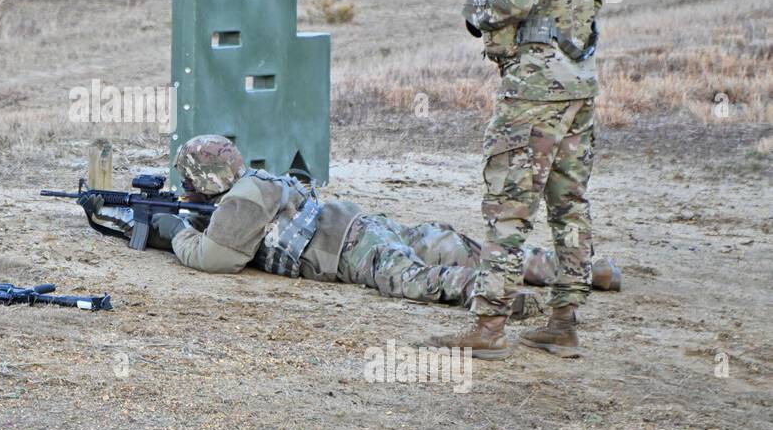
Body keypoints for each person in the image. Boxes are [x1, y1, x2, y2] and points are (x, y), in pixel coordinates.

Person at [77, 135, 619, 313]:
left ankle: (501, 297)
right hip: (359, 222)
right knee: (452, 245)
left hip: (347, 250)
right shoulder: (256, 180)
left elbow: (217, 258)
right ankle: (571, 268)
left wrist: (173, 232)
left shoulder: (238, 203)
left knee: (418, 281)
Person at [433, 0, 603, 359]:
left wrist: (474, 9)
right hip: (578, 86)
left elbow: (514, 1)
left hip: (533, 92)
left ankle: (488, 325)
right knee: (569, 204)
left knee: (508, 208)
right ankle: (564, 322)